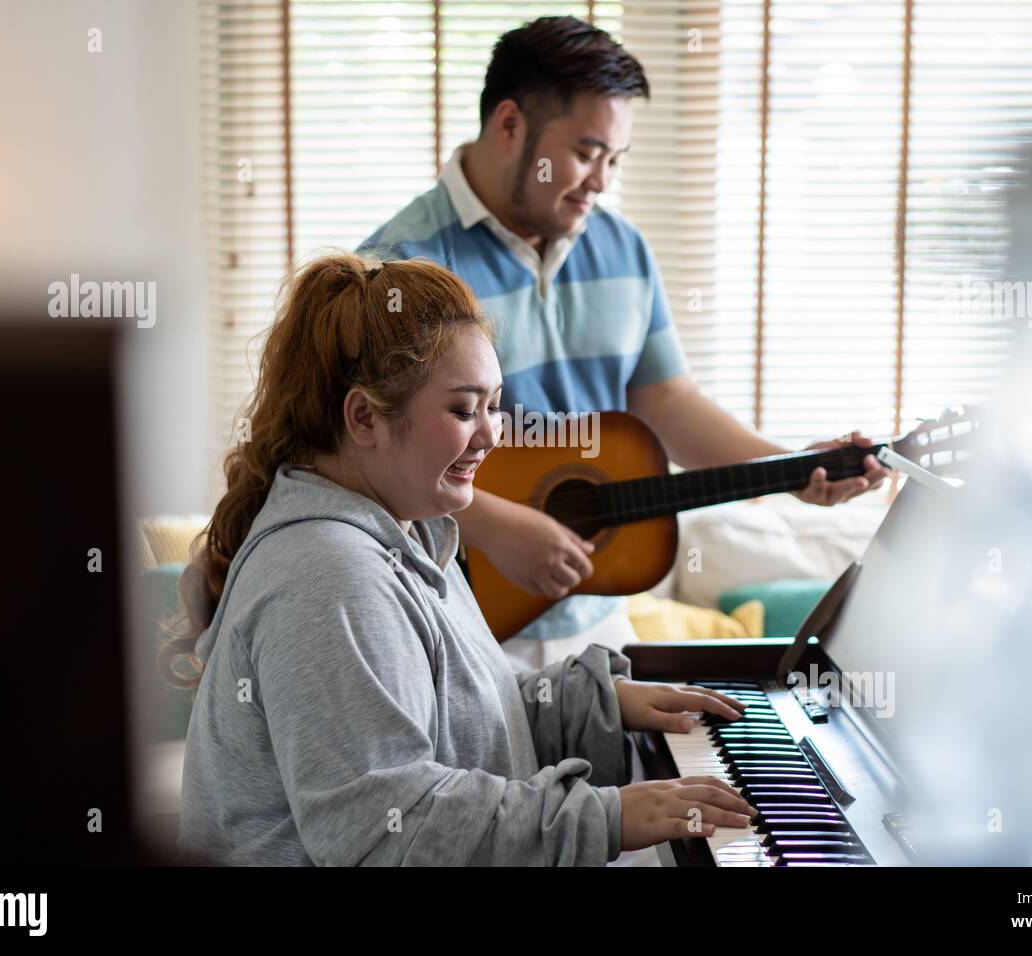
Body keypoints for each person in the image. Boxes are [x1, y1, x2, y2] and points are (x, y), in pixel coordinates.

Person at [167, 253, 755, 866]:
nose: (492, 434)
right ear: (364, 417)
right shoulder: (329, 576)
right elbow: (389, 831)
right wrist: (608, 815)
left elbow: (456, 715)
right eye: (463, 409)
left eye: (494, 405)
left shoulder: (410, 527)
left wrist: (598, 705)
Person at [359, 16, 890, 671]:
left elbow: (667, 403)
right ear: (508, 125)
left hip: (600, 613)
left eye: (615, 159)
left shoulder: (624, 249)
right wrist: (494, 526)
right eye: (586, 153)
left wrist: (787, 472)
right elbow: (362, 456)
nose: (602, 180)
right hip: (451, 618)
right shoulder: (399, 267)